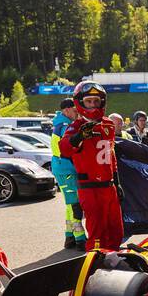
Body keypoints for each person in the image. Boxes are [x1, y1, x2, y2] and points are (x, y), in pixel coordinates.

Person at [62, 81, 122, 251]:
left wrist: (117, 182)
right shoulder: (75, 127)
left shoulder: (108, 124)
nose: (93, 105)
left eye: (96, 101)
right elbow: (65, 149)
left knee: (116, 231)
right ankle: (96, 266)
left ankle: (114, 265)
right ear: (80, 102)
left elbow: (111, 155)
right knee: (97, 234)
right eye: (89, 101)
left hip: (109, 186)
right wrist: (78, 137)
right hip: (90, 188)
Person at [50, 97, 86, 250]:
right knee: (75, 204)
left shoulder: (60, 123)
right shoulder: (65, 126)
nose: (76, 111)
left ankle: (69, 237)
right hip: (66, 167)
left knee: (70, 204)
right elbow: (71, 147)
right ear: (66, 110)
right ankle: (80, 240)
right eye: (74, 108)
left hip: (62, 167)